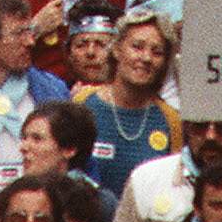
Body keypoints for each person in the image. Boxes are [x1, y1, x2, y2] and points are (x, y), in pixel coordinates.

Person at [77, 14, 181, 204]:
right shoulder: (83, 102)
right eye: (137, 47)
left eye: (157, 52)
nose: (146, 58)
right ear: (116, 49)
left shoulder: (170, 119)